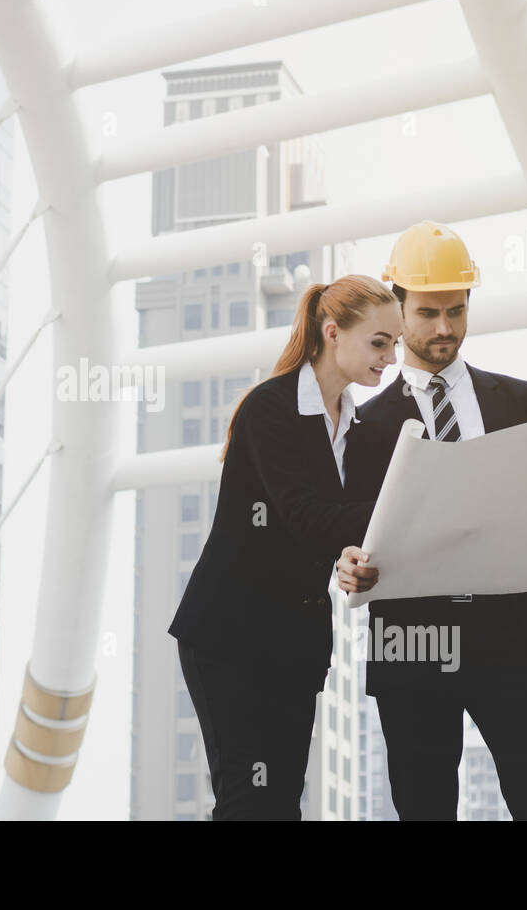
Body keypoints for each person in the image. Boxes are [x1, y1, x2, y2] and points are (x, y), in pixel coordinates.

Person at [335, 220, 527, 820]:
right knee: (424, 808)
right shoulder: (360, 429)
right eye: (428, 313)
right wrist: (348, 569)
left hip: (515, 636)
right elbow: (346, 541)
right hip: (414, 645)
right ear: (396, 308)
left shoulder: (521, 400)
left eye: (457, 310)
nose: (445, 328)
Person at [167, 274, 402, 819]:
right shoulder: (269, 409)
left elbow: (348, 533)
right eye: (378, 342)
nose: (390, 357)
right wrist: (409, 511)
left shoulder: (358, 428)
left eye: (393, 343)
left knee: (280, 804)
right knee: (250, 800)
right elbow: (310, 518)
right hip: (230, 635)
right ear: (332, 332)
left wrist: (355, 559)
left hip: (295, 642)